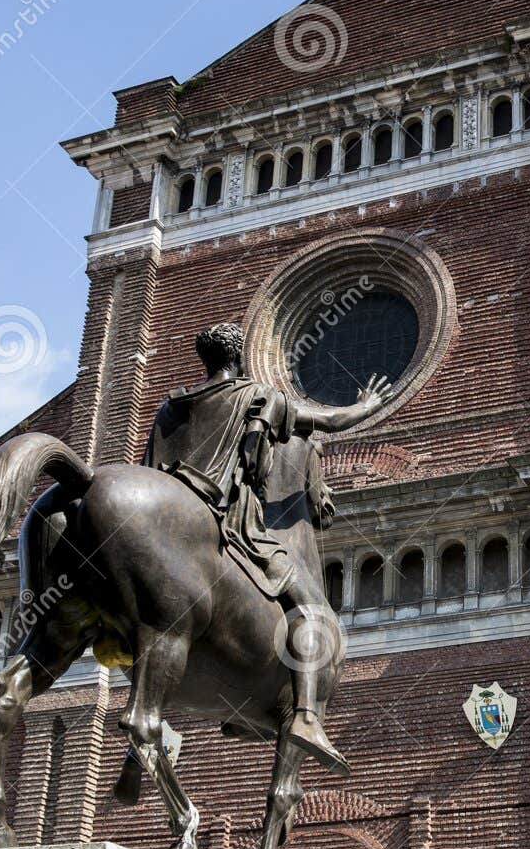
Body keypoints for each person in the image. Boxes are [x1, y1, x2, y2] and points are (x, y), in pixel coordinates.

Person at [142, 321, 389, 772]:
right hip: (228, 524)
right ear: (237, 359)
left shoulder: (170, 407)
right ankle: (308, 718)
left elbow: (149, 474)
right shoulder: (256, 396)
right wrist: (366, 405)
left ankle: (139, 732)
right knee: (313, 608)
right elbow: (330, 421)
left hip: (160, 534)